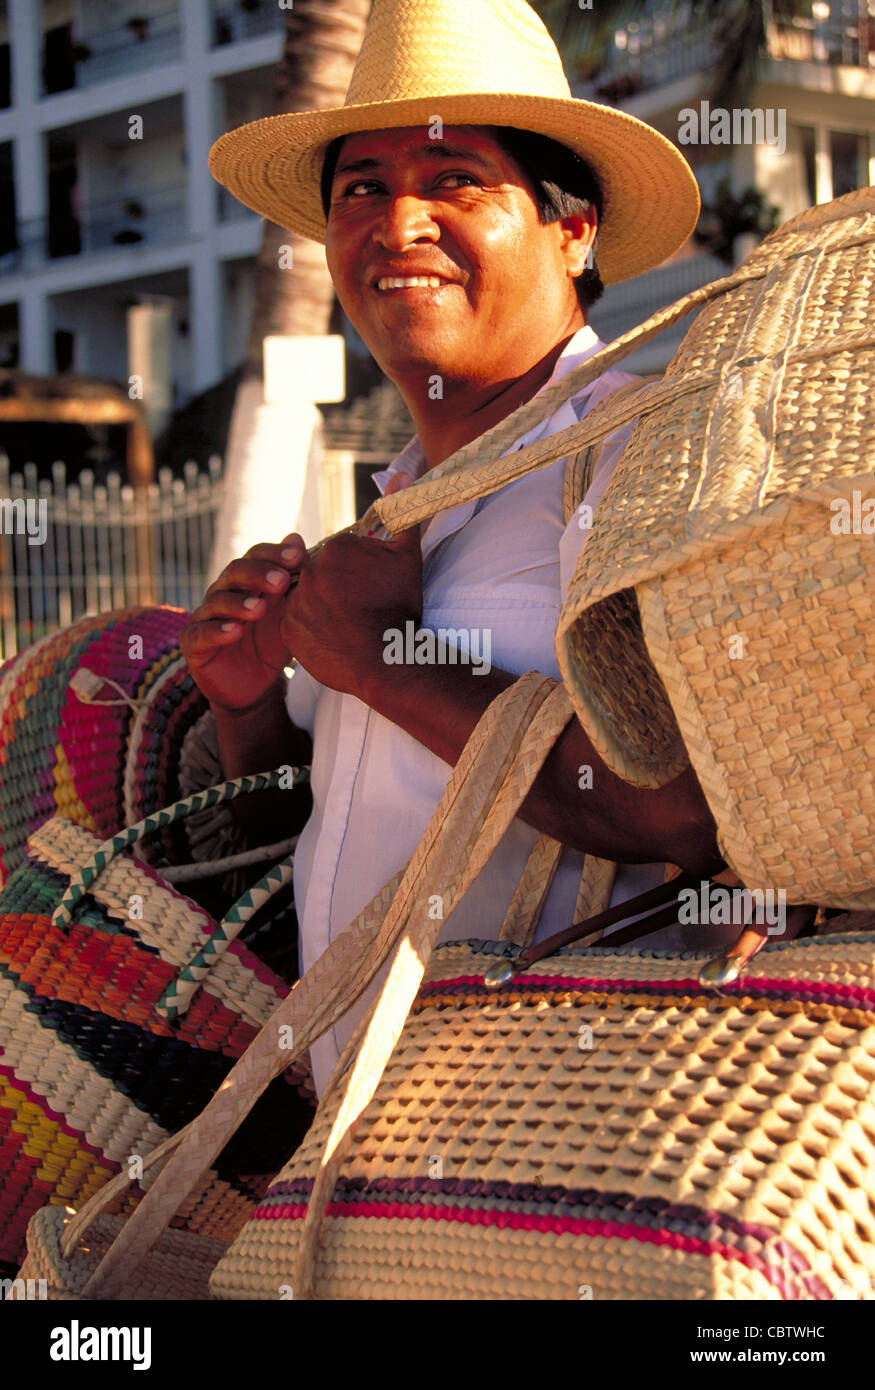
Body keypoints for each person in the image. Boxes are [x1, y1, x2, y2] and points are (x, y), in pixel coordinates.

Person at [183, 0, 727, 1096]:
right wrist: (248, 709)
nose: (398, 226)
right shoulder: (386, 516)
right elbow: (310, 841)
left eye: (452, 182)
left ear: (571, 229)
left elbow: (692, 810)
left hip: (583, 1152)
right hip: (366, 1177)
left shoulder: (656, 462)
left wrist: (382, 659)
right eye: (362, 191)